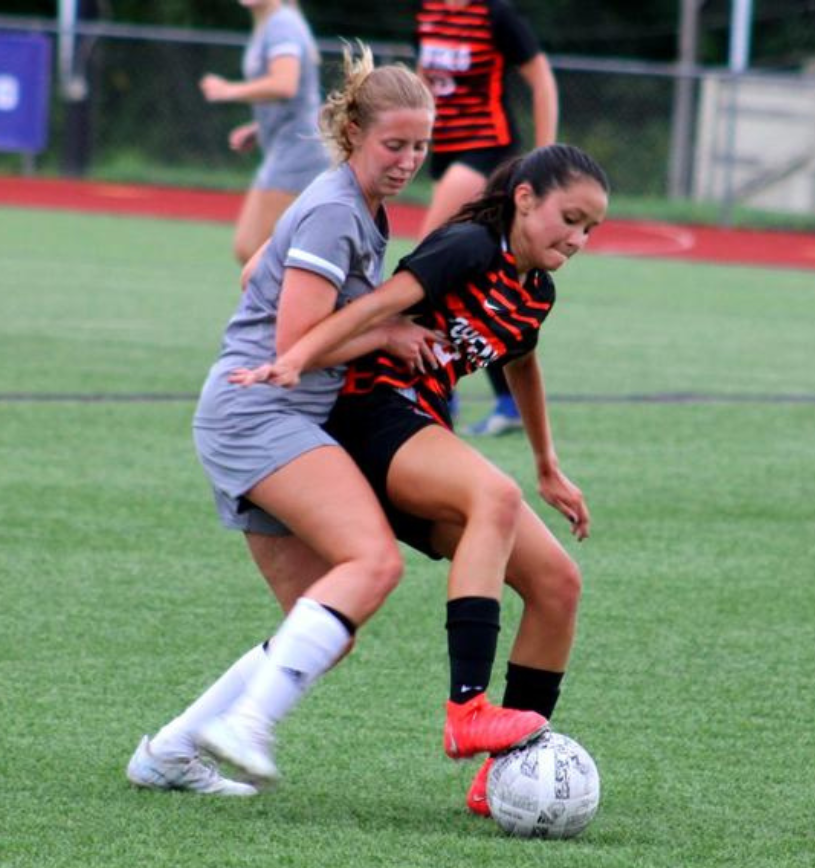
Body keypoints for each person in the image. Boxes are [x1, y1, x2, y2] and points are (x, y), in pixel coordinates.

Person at [127, 46, 539, 795]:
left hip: (262, 416)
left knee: (319, 631)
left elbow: (258, 270)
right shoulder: (333, 209)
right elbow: (293, 344)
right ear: (353, 133)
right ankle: (247, 725)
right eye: (395, 144)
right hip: (262, 414)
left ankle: (169, 752)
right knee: (373, 563)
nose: (410, 159)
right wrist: (383, 333)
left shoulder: (350, 208)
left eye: (421, 145)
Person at [232, 144, 610, 815]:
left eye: (591, 229)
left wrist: (548, 464)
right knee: (492, 495)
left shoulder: (535, 291)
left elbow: (519, 360)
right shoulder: (467, 246)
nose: (578, 239)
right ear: (525, 198)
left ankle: (500, 777)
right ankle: (466, 711)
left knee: (558, 584)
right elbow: (375, 309)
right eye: (570, 218)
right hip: (369, 413)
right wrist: (294, 357)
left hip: (418, 432)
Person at [416, 0, 559, 437]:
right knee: (475, 274)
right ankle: (506, 399)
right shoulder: (428, 11)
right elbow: (422, 83)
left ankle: (435, 389)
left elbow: (543, 82)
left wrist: (543, 159)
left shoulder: (496, 14)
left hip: (490, 149)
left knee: (428, 258)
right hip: (447, 151)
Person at [200, 0, 332, 265]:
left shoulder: (282, 24)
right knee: (249, 249)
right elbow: (301, 96)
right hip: (283, 146)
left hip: (299, 151)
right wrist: (259, 128)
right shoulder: (272, 22)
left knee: (264, 255)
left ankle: (302, 304)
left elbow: (285, 85)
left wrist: (229, 90)